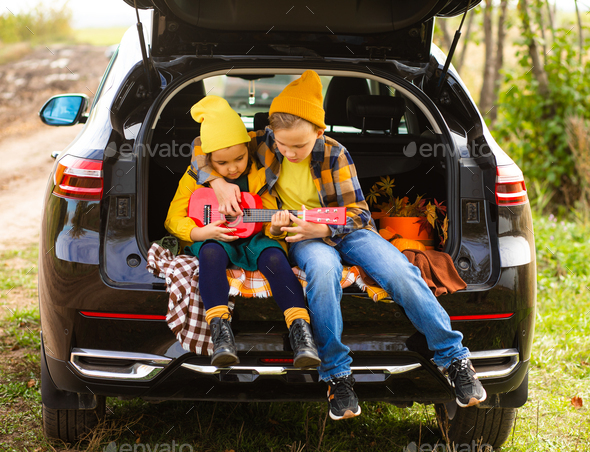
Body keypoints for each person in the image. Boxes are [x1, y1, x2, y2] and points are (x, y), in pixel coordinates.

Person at [192, 72, 487, 420]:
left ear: (319, 132)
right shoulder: (266, 143)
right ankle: (337, 375)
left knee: (400, 273)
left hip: (346, 230)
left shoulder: (336, 154)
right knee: (323, 270)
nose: (289, 152)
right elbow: (202, 148)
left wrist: (323, 226)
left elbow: (361, 215)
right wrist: (217, 182)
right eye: (283, 145)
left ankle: (454, 358)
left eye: (299, 146)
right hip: (301, 237)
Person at [164, 95, 320, 370]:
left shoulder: (262, 174)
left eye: (239, 158)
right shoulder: (193, 177)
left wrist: (274, 228)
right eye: (222, 163)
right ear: (208, 158)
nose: (233, 167)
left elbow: (271, 212)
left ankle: (301, 333)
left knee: (274, 257)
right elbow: (172, 219)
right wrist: (201, 233)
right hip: (214, 238)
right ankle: (220, 333)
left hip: (254, 239)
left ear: (249, 148)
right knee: (211, 254)